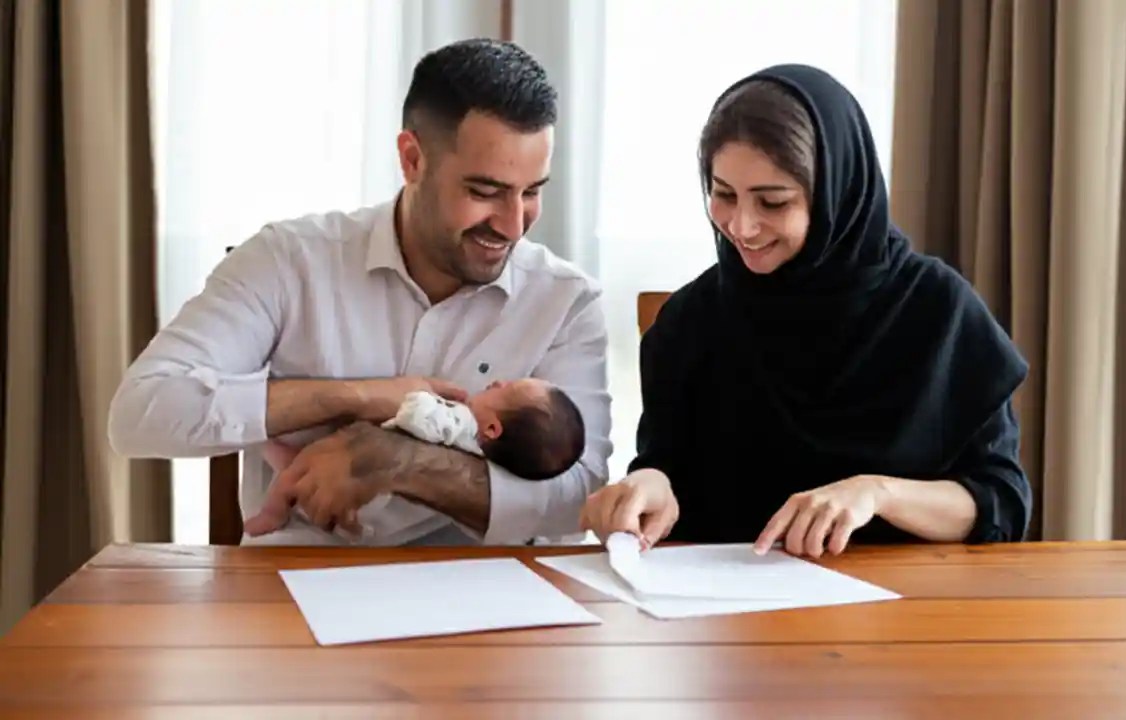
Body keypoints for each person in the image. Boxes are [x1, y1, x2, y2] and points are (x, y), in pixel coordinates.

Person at [108, 38, 612, 546]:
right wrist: (354, 397)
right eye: (484, 192)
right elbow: (141, 413)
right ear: (412, 159)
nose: (512, 225)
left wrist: (400, 462)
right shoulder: (289, 260)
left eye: (532, 192)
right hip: (296, 573)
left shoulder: (566, 302)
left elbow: (579, 499)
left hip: (484, 583)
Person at [579, 64, 1032, 558]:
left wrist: (877, 493)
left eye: (773, 203)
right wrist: (649, 483)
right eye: (724, 194)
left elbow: (1000, 502)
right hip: (729, 601)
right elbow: (666, 468)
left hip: (905, 601)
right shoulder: (692, 320)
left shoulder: (937, 311)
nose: (741, 227)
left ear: (836, 193)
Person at [247, 378, 586, 536]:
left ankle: (271, 514)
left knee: (295, 470)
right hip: (372, 489)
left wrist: (417, 392)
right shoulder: (481, 452)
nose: (497, 381)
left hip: (367, 484)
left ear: (493, 429)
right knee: (302, 464)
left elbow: (417, 413)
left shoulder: (461, 423)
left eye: (505, 390)